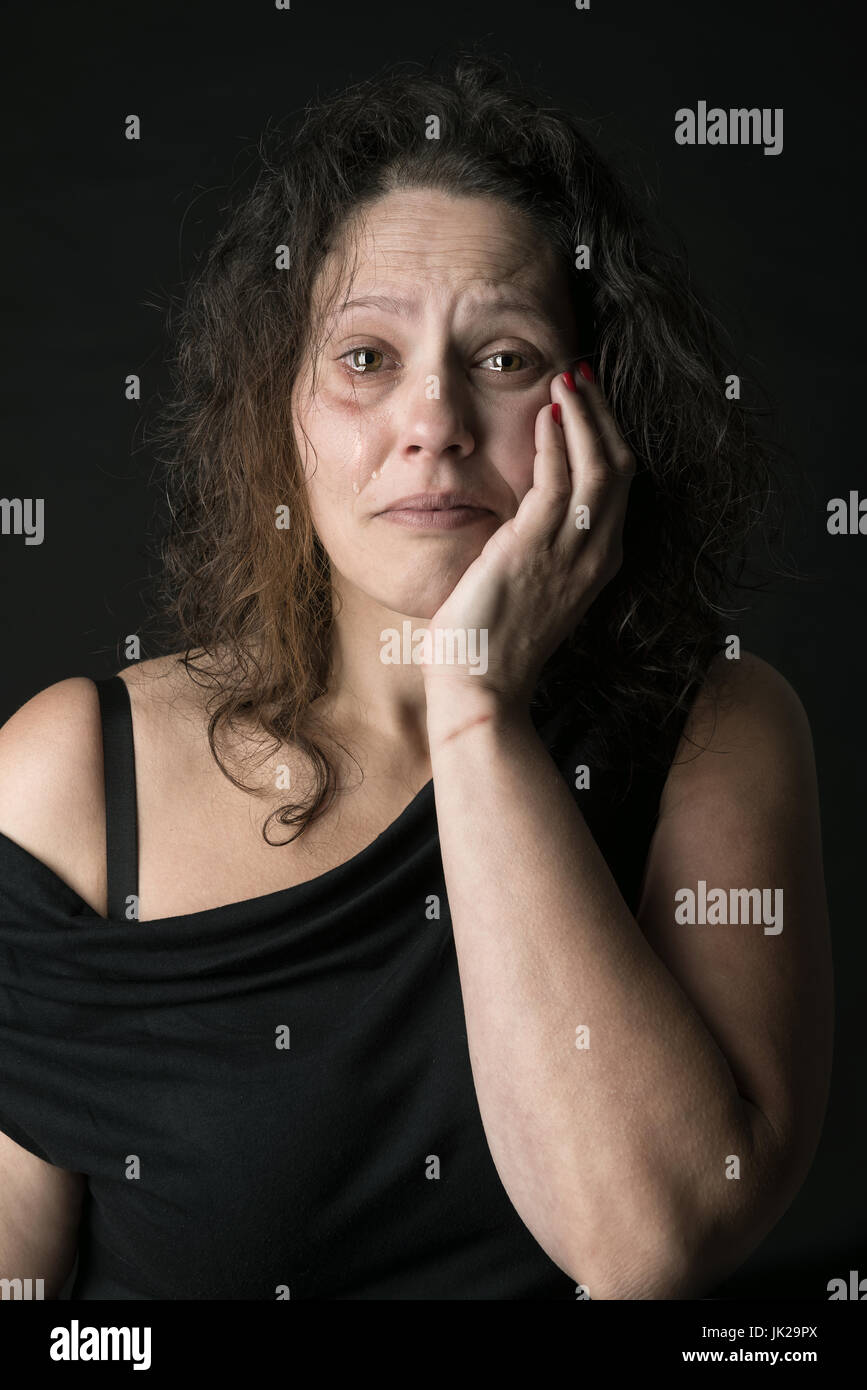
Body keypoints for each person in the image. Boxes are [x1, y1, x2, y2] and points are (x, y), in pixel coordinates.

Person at [0, 53, 832, 1300]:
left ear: (600, 410)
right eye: (367, 358)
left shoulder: (720, 730)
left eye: (502, 358)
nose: (432, 415)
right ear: (285, 419)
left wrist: (478, 708)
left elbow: (645, 1245)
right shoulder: (70, 773)